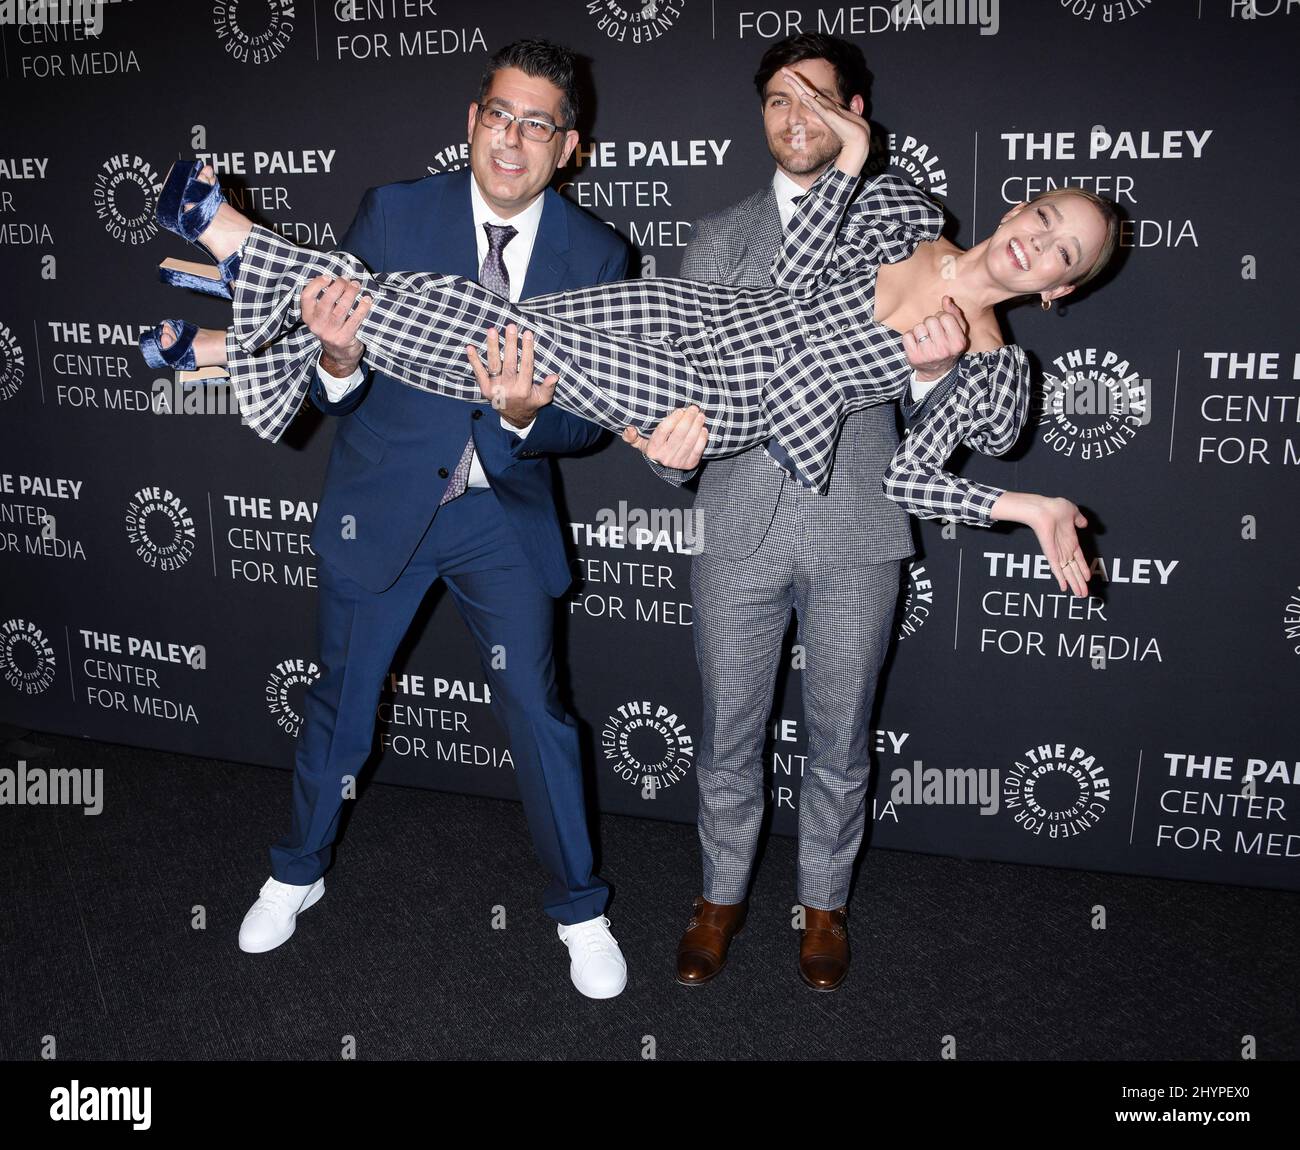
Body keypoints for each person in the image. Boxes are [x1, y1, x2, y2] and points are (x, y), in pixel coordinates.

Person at [200, 40, 698, 1000]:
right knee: (341, 705)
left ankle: (579, 909)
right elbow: (336, 387)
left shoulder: (597, 255)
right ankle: (294, 873)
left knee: (539, 717)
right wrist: (338, 359)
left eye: (537, 124)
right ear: (472, 121)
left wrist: (524, 416)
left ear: (569, 147)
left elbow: (586, 419)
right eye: (499, 116)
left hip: (499, 517)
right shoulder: (395, 211)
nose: (513, 139)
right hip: (383, 508)